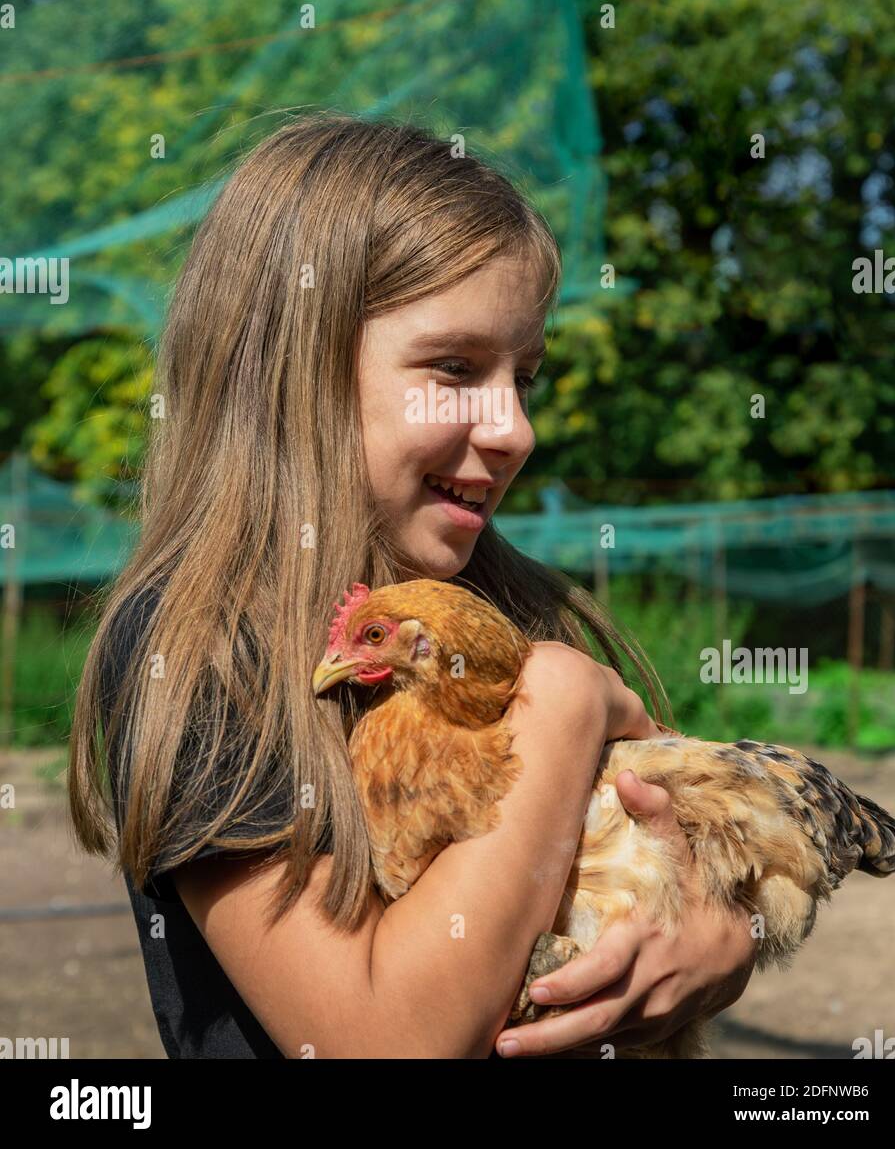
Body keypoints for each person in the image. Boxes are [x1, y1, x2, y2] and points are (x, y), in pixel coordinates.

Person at [68, 109, 756, 1059]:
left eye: (526, 376)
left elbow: (687, 854)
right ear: (289, 366)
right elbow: (390, 1042)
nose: (515, 428)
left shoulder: (516, 610)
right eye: (457, 368)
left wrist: (720, 936)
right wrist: (556, 700)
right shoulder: (206, 652)